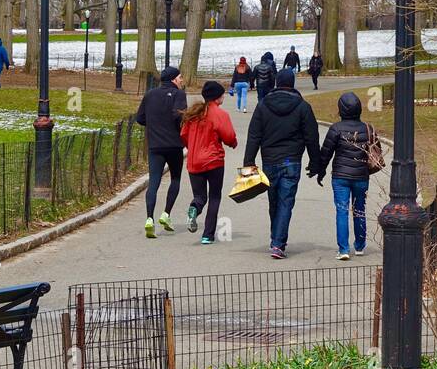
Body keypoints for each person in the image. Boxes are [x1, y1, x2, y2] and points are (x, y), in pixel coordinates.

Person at [242, 67, 320, 260]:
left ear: (276, 83)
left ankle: (276, 240)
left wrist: (248, 163)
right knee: (286, 202)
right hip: (291, 160)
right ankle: (278, 242)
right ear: (292, 83)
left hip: (270, 160)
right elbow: (312, 137)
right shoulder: (303, 107)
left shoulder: (263, 105)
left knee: (274, 202)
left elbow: (254, 136)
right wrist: (316, 162)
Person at [317, 92, 381, 261]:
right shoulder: (368, 129)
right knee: (359, 209)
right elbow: (376, 151)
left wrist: (320, 170)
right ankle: (359, 245)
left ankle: (343, 248)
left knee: (342, 210)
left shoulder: (336, 129)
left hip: (340, 176)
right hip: (361, 175)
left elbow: (326, 153)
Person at [180, 80, 238, 244]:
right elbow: (228, 136)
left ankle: (194, 208)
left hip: (194, 162)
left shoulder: (193, 114)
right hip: (213, 161)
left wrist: (192, 146)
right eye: (222, 94)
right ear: (218, 97)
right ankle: (207, 234)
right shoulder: (219, 114)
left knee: (200, 196)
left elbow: (184, 135)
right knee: (214, 197)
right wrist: (233, 143)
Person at [135, 65, 187, 238]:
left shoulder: (150, 94)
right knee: (175, 178)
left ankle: (149, 218)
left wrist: (155, 123)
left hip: (155, 145)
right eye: (180, 78)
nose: (182, 81)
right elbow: (179, 115)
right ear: (173, 79)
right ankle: (166, 214)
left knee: (154, 182)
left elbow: (140, 118)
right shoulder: (179, 94)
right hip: (174, 145)